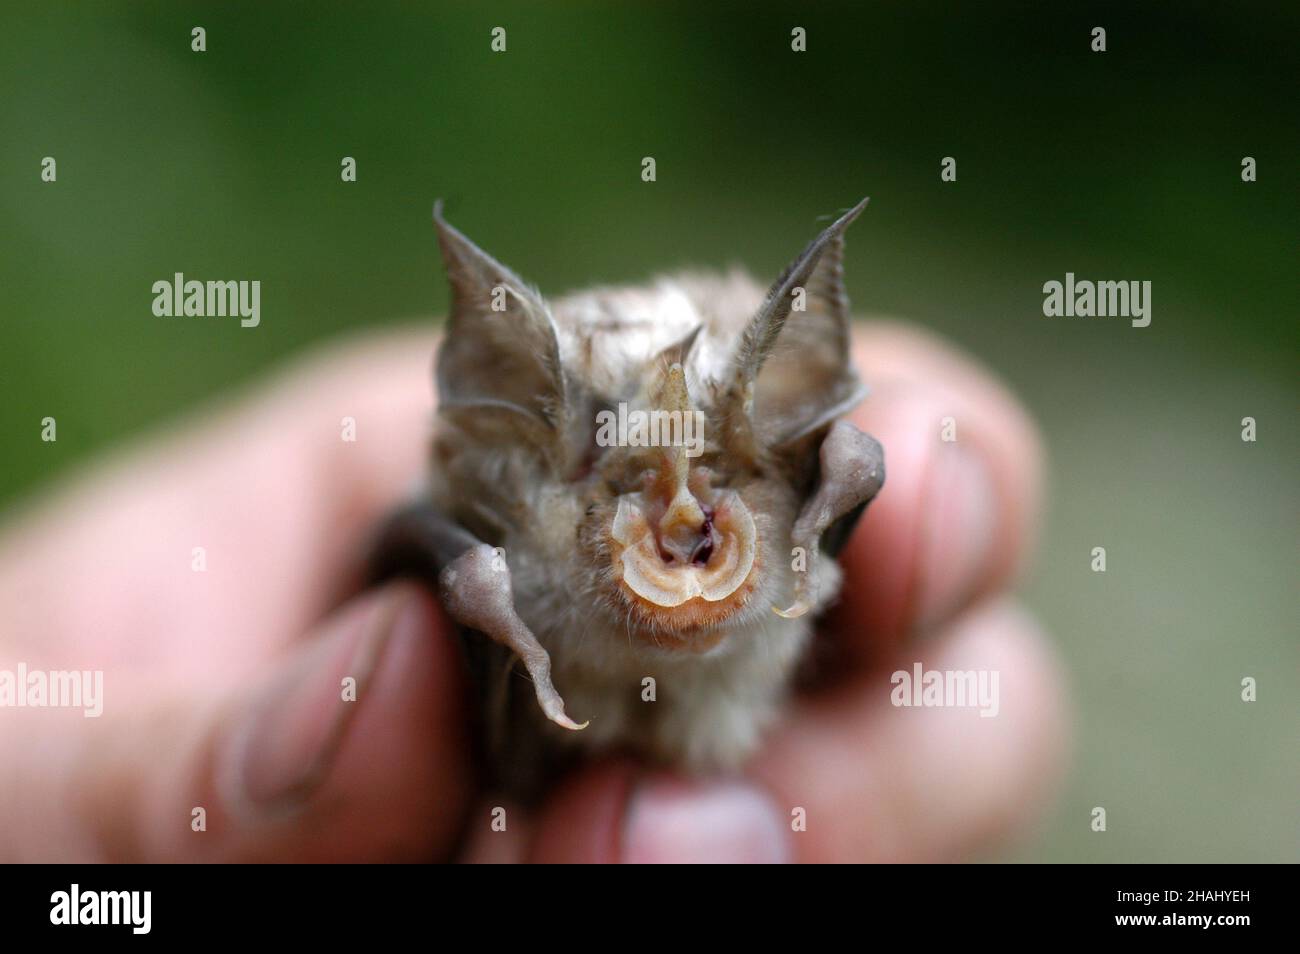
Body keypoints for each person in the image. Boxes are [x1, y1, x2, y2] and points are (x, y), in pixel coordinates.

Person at [0, 323, 1065, 863]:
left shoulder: (823, 497)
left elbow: (866, 460)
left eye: (724, 486)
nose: (684, 523)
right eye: (631, 495)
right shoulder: (499, 556)